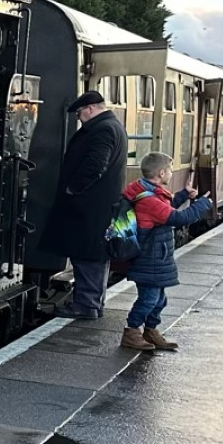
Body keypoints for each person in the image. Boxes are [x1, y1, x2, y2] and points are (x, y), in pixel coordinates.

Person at [119, 153, 213, 351]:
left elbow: (165, 209)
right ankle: (131, 331)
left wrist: (184, 195)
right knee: (149, 299)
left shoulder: (150, 192)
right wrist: (203, 204)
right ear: (161, 173)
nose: (171, 173)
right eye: (170, 169)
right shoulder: (149, 200)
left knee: (160, 299)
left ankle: (150, 330)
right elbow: (178, 218)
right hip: (149, 258)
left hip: (156, 256)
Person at [50, 91, 130, 318]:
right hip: (97, 206)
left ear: (91, 108)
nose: (79, 118)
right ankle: (94, 303)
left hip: (89, 206)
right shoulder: (113, 126)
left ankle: (87, 304)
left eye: (79, 113)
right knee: (96, 255)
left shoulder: (103, 129)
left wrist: (73, 187)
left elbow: (96, 165)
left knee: (87, 254)